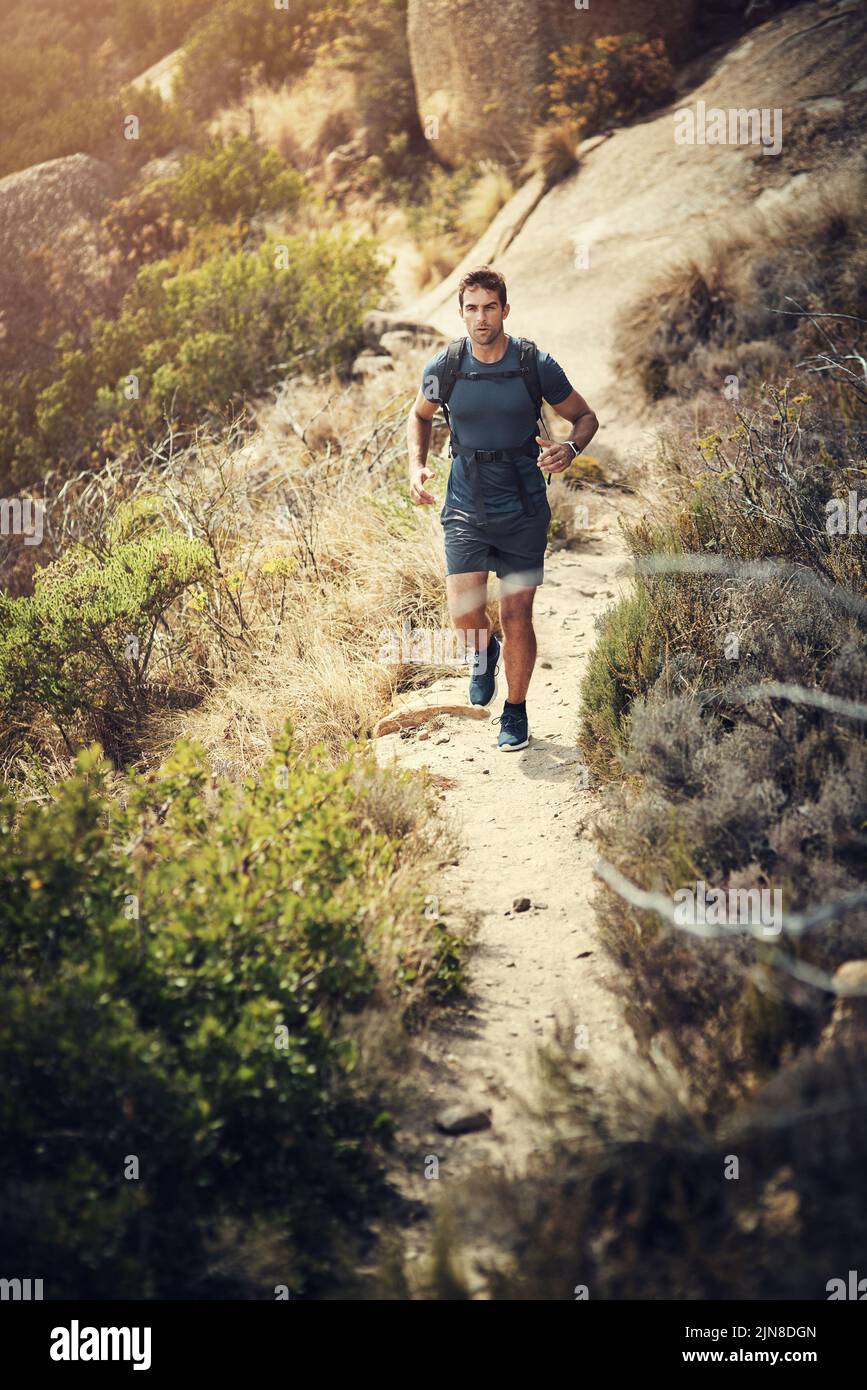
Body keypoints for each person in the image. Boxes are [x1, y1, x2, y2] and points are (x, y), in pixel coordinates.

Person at [406, 265, 599, 750]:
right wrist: (417, 465)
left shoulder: (535, 364)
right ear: (462, 313)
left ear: (505, 310)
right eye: (472, 308)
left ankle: (515, 711)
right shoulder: (445, 367)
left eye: (490, 307)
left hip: (523, 507)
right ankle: (483, 650)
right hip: (465, 505)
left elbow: (584, 417)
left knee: (517, 617)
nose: (481, 317)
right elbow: (419, 415)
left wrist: (570, 450)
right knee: (463, 614)